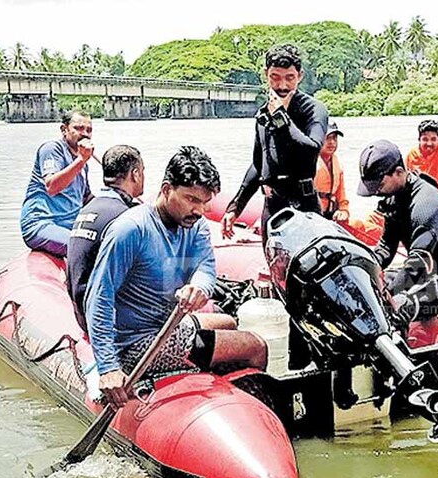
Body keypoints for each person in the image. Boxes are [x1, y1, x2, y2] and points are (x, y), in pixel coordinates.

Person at [86, 146, 268, 408]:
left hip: (169, 325)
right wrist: (107, 367)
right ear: (166, 189)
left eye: (204, 202)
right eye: (191, 199)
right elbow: (98, 298)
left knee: (228, 321)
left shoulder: (195, 226)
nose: (199, 210)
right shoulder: (130, 229)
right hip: (136, 344)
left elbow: (206, 266)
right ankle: (250, 410)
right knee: (256, 346)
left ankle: (214, 387)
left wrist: (199, 287)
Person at [221, 44, 329, 240]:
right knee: (276, 270)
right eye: (275, 77)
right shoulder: (263, 114)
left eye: (290, 78)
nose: (282, 86)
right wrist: (236, 206)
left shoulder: (313, 110)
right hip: (272, 207)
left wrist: (281, 118)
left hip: (304, 206)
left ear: (300, 76)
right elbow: (258, 164)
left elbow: (310, 151)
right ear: (265, 74)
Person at [357, 139, 438, 325]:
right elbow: (385, 247)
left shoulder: (427, 203)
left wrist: (388, 293)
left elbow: (418, 263)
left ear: (399, 172)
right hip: (420, 273)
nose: (376, 192)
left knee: (394, 308)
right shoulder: (394, 199)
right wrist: (367, 270)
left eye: (379, 185)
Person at [66, 145, 145, 330]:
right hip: (110, 324)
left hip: (84, 315)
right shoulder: (126, 218)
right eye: (142, 172)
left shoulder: (89, 209)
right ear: (135, 174)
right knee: (224, 323)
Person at [20, 110, 94, 257]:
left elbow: (87, 199)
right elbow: (51, 186)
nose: (84, 133)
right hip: (42, 224)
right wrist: (81, 160)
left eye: (89, 130)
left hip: (70, 226)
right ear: (64, 130)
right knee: (81, 249)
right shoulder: (52, 149)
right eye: (78, 128)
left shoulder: (83, 165)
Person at [314, 121, 349, 222]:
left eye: (334, 138)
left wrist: (344, 211)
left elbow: (341, 196)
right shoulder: (308, 163)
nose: (332, 142)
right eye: (327, 138)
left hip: (331, 214)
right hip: (312, 214)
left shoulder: (338, 164)